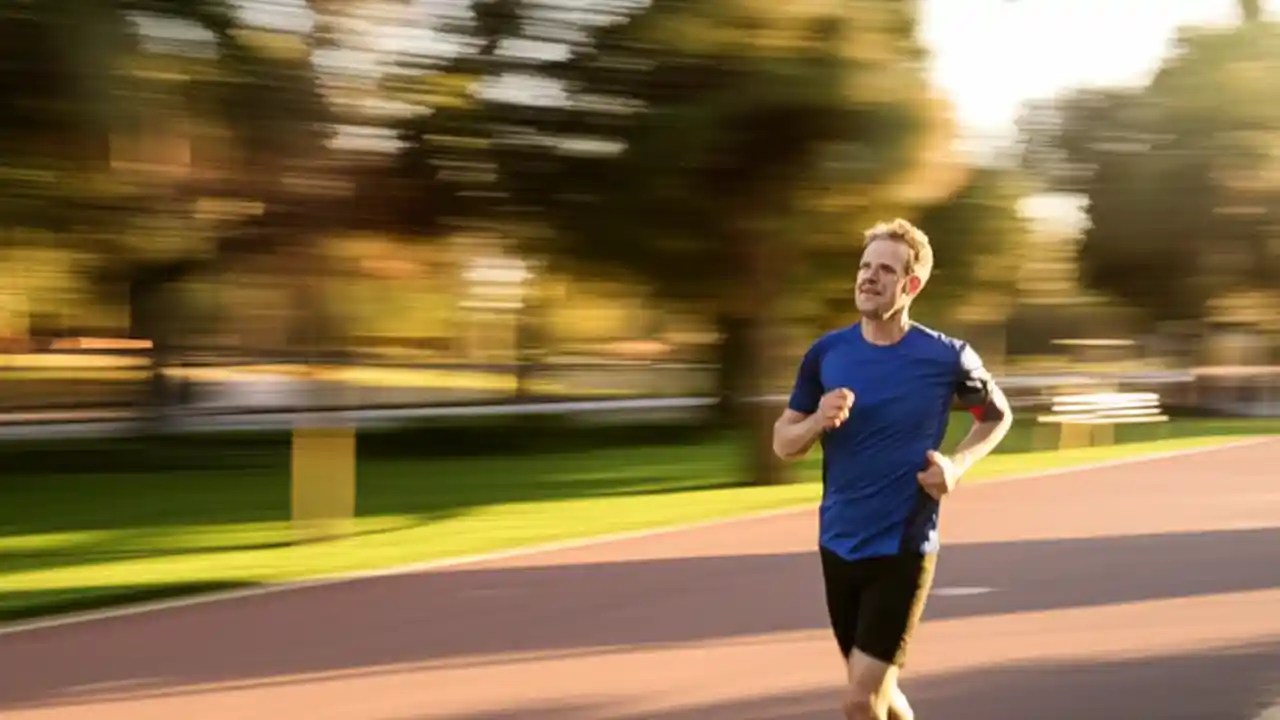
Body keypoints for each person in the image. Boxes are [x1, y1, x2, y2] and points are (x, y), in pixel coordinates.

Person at [772, 218, 1013, 720]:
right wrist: (818, 419)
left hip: (904, 545)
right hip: (837, 542)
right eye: (864, 266)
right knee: (880, 695)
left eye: (885, 269)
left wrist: (957, 464)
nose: (868, 277)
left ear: (912, 285)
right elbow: (783, 442)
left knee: (860, 700)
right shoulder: (827, 354)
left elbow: (996, 415)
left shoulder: (947, 358)